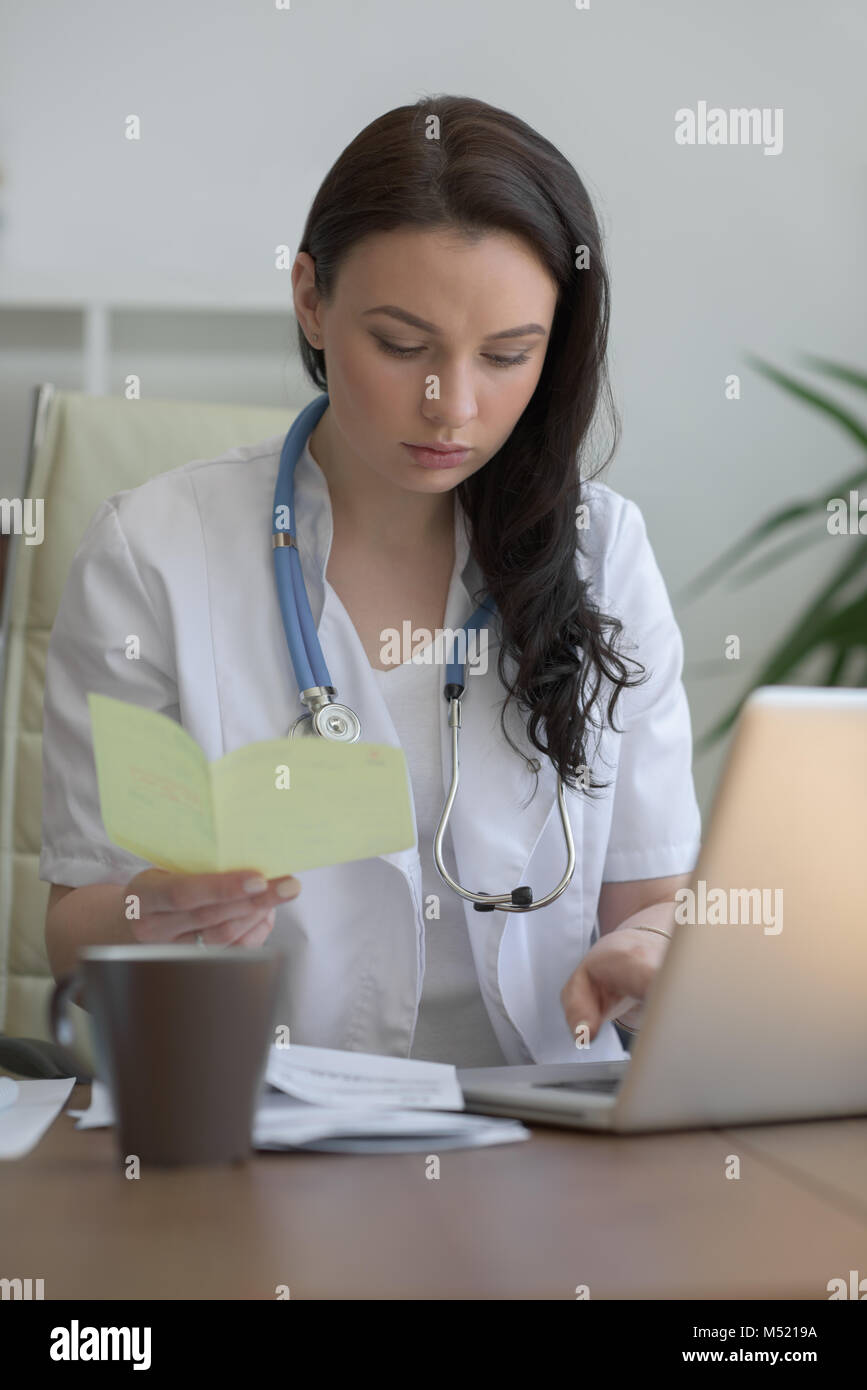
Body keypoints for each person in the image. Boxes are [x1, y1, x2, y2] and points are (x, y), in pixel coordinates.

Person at [41, 94, 701, 1067]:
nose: (454, 406)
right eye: (402, 346)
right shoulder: (154, 553)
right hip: (274, 1130)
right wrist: (155, 912)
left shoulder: (605, 551)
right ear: (310, 296)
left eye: (508, 355)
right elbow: (74, 930)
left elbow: (651, 898)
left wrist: (650, 950)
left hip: (553, 1134)